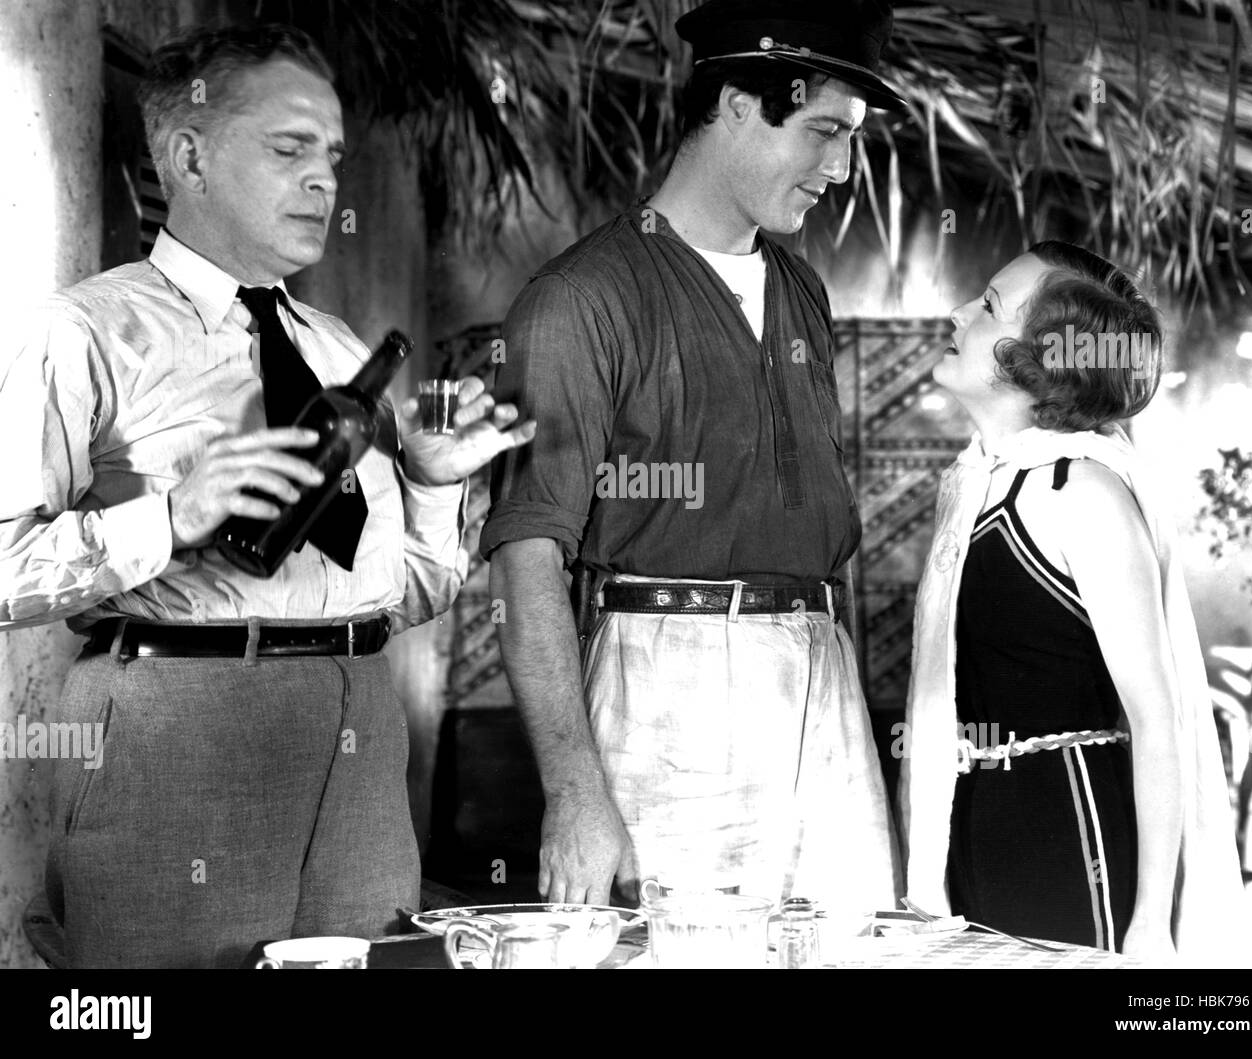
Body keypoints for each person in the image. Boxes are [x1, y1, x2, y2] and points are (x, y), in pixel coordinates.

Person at [0, 23, 534, 968]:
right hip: (177, 728)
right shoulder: (83, 332)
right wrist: (171, 518)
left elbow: (400, 597)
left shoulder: (338, 350)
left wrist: (429, 487)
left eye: (330, 154)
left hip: (362, 732)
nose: (325, 180)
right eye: (290, 149)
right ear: (189, 153)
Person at [481, 0, 904, 913]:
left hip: (819, 675)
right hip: (668, 682)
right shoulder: (579, 299)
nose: (841, 168)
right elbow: (526, 563)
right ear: (739, 105)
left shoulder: (801, 291)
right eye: (826, 130)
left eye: (852, 139)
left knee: (853, 947)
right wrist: (574, 791)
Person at [900, 241, 1252, 964]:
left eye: (991, 305)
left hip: (1068, 837)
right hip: (971, 829)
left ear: (1041, 361)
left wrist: (1152, 920)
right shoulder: (970, 486)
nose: (961, 312)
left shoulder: (1083, 492)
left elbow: (1159, 720)